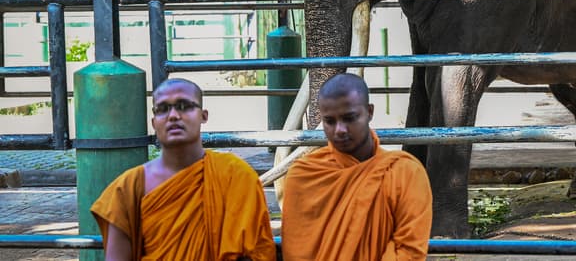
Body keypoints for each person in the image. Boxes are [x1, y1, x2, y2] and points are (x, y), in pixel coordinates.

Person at [90, 78, 277, 260]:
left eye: (184, 106)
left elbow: (257, 252)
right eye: (163, 109)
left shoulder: (235, 175)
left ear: (204, 116)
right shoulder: (128, 188)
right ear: (154, 123)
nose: (173, 115)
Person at [281, 73, 433, 261]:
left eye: (349, 118)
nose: (339, 130)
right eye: (329, 121)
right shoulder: (304, 176)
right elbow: (296, 253)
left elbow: (409, 251)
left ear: (369, 112)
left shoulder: (405, 173)